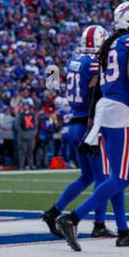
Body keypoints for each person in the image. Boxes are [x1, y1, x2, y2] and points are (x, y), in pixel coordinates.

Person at [57, 1, 129, 249]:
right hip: (121, 113)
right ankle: (73, 217)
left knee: (114, 176)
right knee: (122, 178)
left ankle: (123, 231)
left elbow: (102, 89)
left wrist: (93, 126)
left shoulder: (111, 44)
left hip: (106, 109)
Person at [41, 25, 115, 239]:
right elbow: (95, 94)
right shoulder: (95, 64)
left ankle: (53, 211)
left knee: (87, 176)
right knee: (102, 178)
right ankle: (99, 225)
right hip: (87, 124)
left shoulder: (74, 61)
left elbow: (58, 83)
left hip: (73, 123)